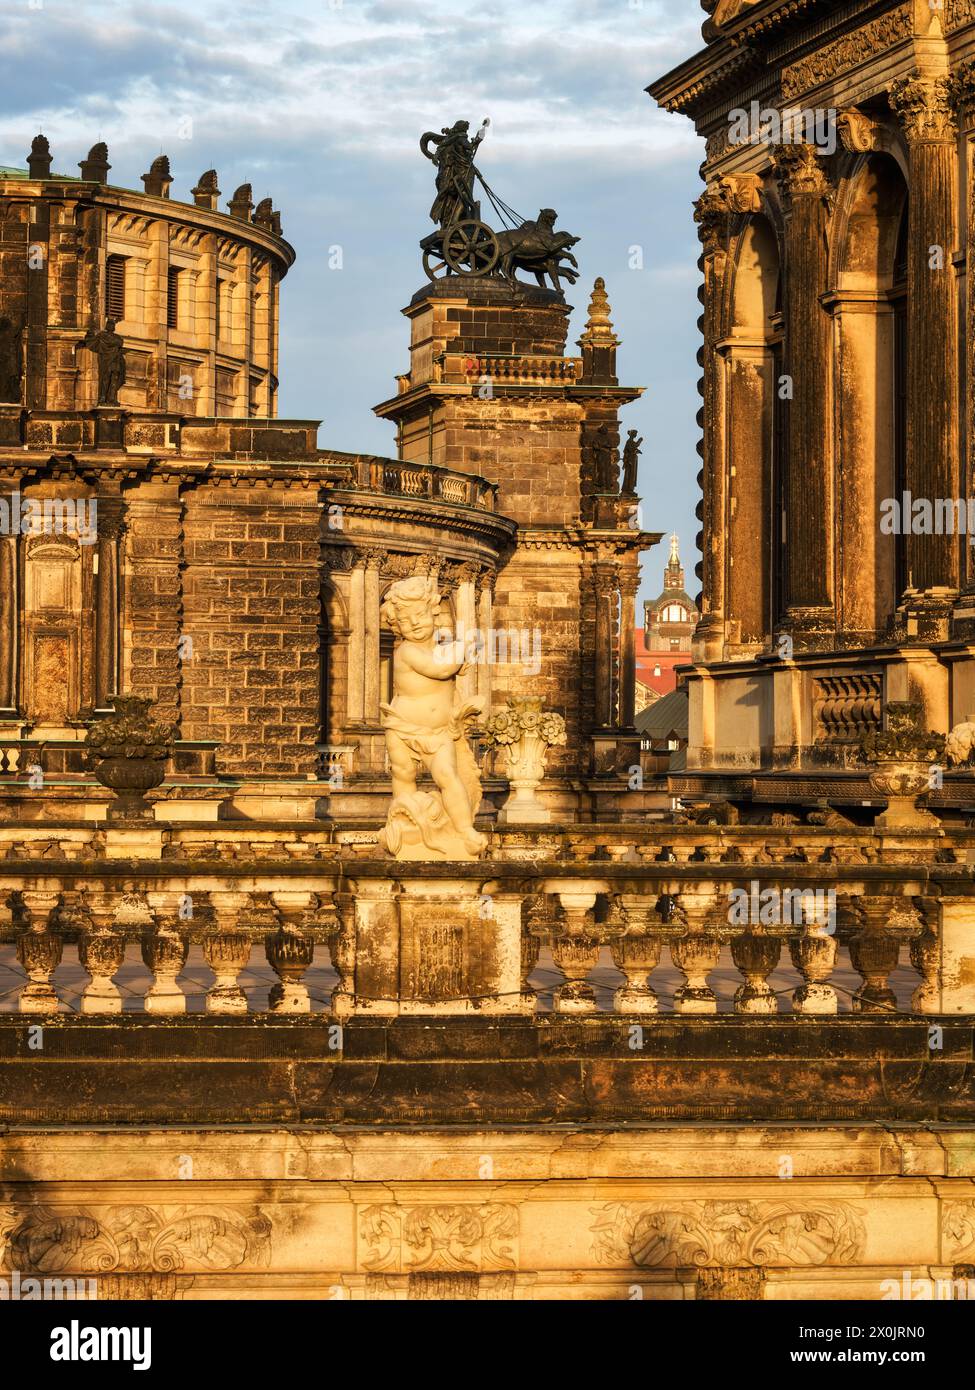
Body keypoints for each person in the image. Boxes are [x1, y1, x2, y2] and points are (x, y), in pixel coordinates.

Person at [379, 575, 486, 857]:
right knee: (403, 775)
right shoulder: (407, 651)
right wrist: (465, 645)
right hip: (404, 728)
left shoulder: (441, 650)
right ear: (397, 627)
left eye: (419, 615)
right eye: (406, 620)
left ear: (433, 613)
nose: (414, 623)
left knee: (448, 776)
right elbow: (440, 670)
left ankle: (464, 830)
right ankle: (403, 822)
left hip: (438, 733)